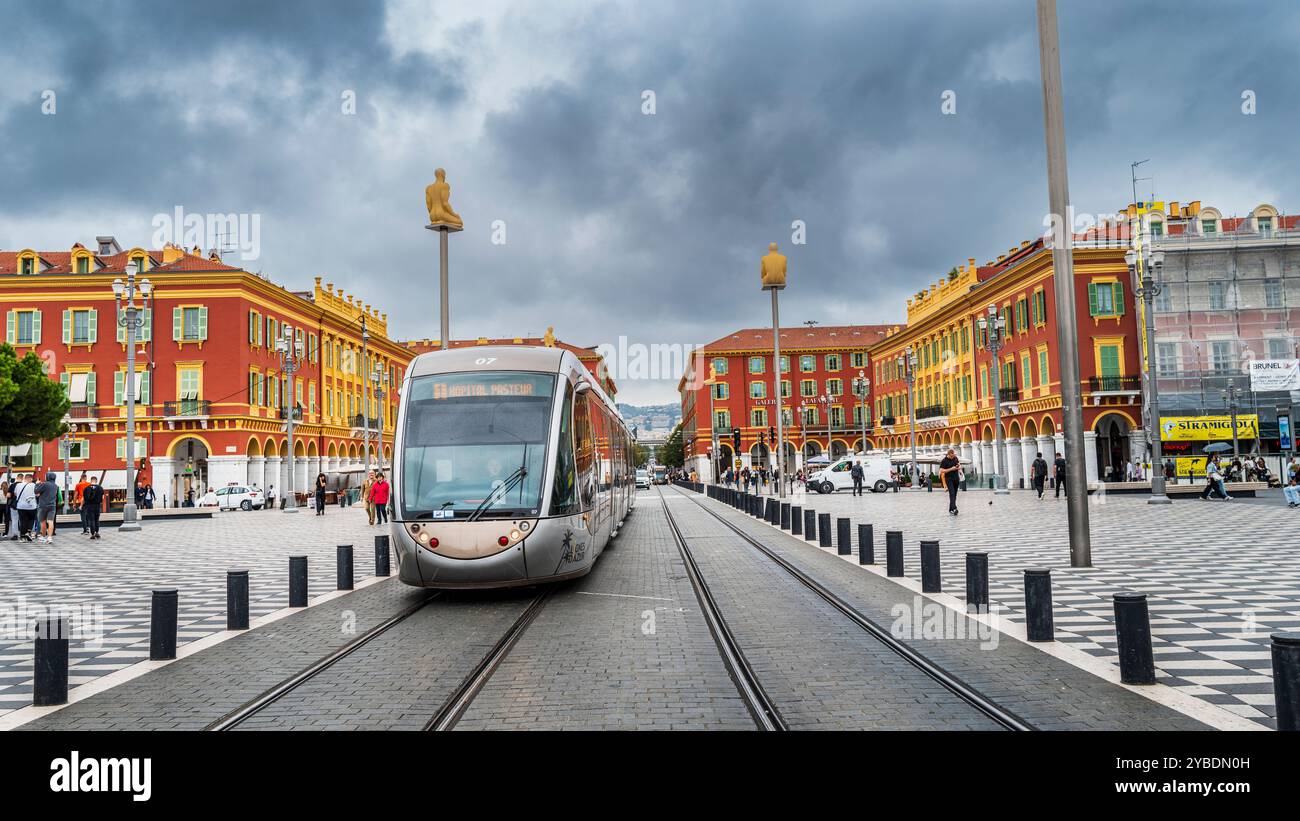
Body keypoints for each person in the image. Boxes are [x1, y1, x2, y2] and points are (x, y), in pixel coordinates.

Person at [14, 473, 38, 542]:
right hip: (31, 506)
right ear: (31, 479)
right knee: (31, 519)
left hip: (21, 506)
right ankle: (28, 532)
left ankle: (22, 537)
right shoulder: (34, 485)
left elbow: (15, 494)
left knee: (22, 521)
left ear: (25, 478)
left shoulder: (18, 485)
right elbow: (37, 494)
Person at [35, 472, 58, 543]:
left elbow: (36, 491)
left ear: (48, 477)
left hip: (43, 506)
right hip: (52, 506)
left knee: (43, 522)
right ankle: (50, 537)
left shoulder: (45, 484)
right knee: (50, 521)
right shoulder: (55, 485)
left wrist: (37, 484)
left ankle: (43, 537)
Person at [939, 448, 961, 515]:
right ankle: (954, 508)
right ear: (948, 454)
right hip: (949, 479)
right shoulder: (944, 461)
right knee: (952, 493)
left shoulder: (955, 458)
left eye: (953, 455)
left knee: (955, 494)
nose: (952, 457)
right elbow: (941, 470)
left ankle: (951, 509)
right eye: (951, 456)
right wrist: (951, 469)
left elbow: (959, 464)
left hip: (956, 478)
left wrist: (958, 467)